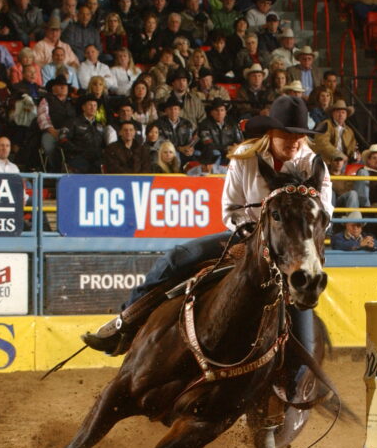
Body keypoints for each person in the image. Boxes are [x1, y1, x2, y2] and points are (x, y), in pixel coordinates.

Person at [81, 95, 333, 366]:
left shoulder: (314, 165)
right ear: (271, 133)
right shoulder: (244, 159)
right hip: (248, 238)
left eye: (300, 136)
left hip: (294, 248)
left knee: (305, 325)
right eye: (287, 134)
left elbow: (325, 213)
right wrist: (251, 232)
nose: (295, 142)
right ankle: (126, 323)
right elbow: (230, 208)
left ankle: (298, 392)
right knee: (177, 257)